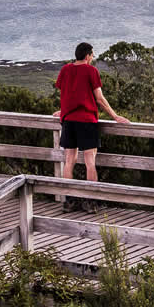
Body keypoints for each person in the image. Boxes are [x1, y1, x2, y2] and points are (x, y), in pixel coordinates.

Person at [54, 43, 128, 197]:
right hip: (86, 121)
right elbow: (99, 98)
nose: (93, 58)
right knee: (90, 161)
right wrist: (115, 116)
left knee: (69, 161)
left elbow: (68, 93)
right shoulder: (91, 71)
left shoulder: (65, 69)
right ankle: (91, 199)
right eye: (92, 55)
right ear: (87, 56)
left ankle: (69, 198)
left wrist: (64, 111)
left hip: (68, 121)